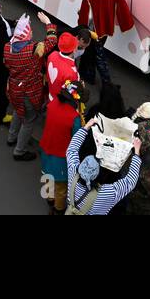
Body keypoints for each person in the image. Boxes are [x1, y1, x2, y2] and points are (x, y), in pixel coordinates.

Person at [65, 109, 143, 215]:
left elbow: (71, 150)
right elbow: (130, 182)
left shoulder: (72, 173)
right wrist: (137, 151)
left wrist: (86, 126)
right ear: (97, 174)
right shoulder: (106, 193)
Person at [4, 11, 56, 159]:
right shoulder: (34, 49)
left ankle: (11, 137)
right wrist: (48, 23)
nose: (32, 32)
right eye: (30, 30)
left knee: (17, 111)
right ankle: (19, 151)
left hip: (14, 88)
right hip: (29, 92)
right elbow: (52, 41)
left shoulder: (7, 47)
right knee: (29, 120)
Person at [41, 79, 85, 214]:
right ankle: (58, 209)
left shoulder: (52, 104)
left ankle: (49, 200)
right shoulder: (74, 117)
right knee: (61, 188)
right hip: (60, 158)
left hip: (46, 149)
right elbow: (77, 140)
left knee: (47, 177)